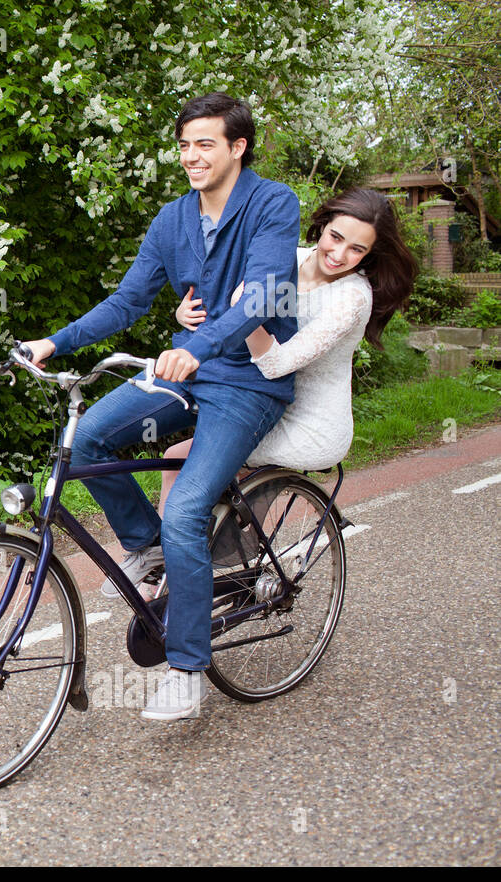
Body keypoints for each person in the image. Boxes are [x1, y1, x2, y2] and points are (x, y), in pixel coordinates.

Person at [21, 92, 300, 721]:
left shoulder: (273, 204)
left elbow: (263, 293)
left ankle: (188, 668)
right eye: (183, 145)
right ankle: (151, 552)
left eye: (205, 143)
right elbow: (127, 302)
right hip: (187, 371)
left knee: (190, 511)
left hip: (248, 381)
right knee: (88, 439)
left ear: (238, 146)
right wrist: (54, 342)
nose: (191, 156)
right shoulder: (172, 220)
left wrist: (199, 345)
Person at [156, 188, 418, 517]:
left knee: (184, 463)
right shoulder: (288, 258)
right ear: (322, 225)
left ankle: (185, 561)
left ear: (368, 255)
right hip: (263, 401)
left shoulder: (353, 298)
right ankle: (176, 559)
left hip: (309, 426)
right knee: (175, 462)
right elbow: (218, 305)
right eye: (335, 237)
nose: (338, 254)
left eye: (356, 250)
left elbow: (275, 364)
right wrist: (186, 313)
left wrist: (247, 313)